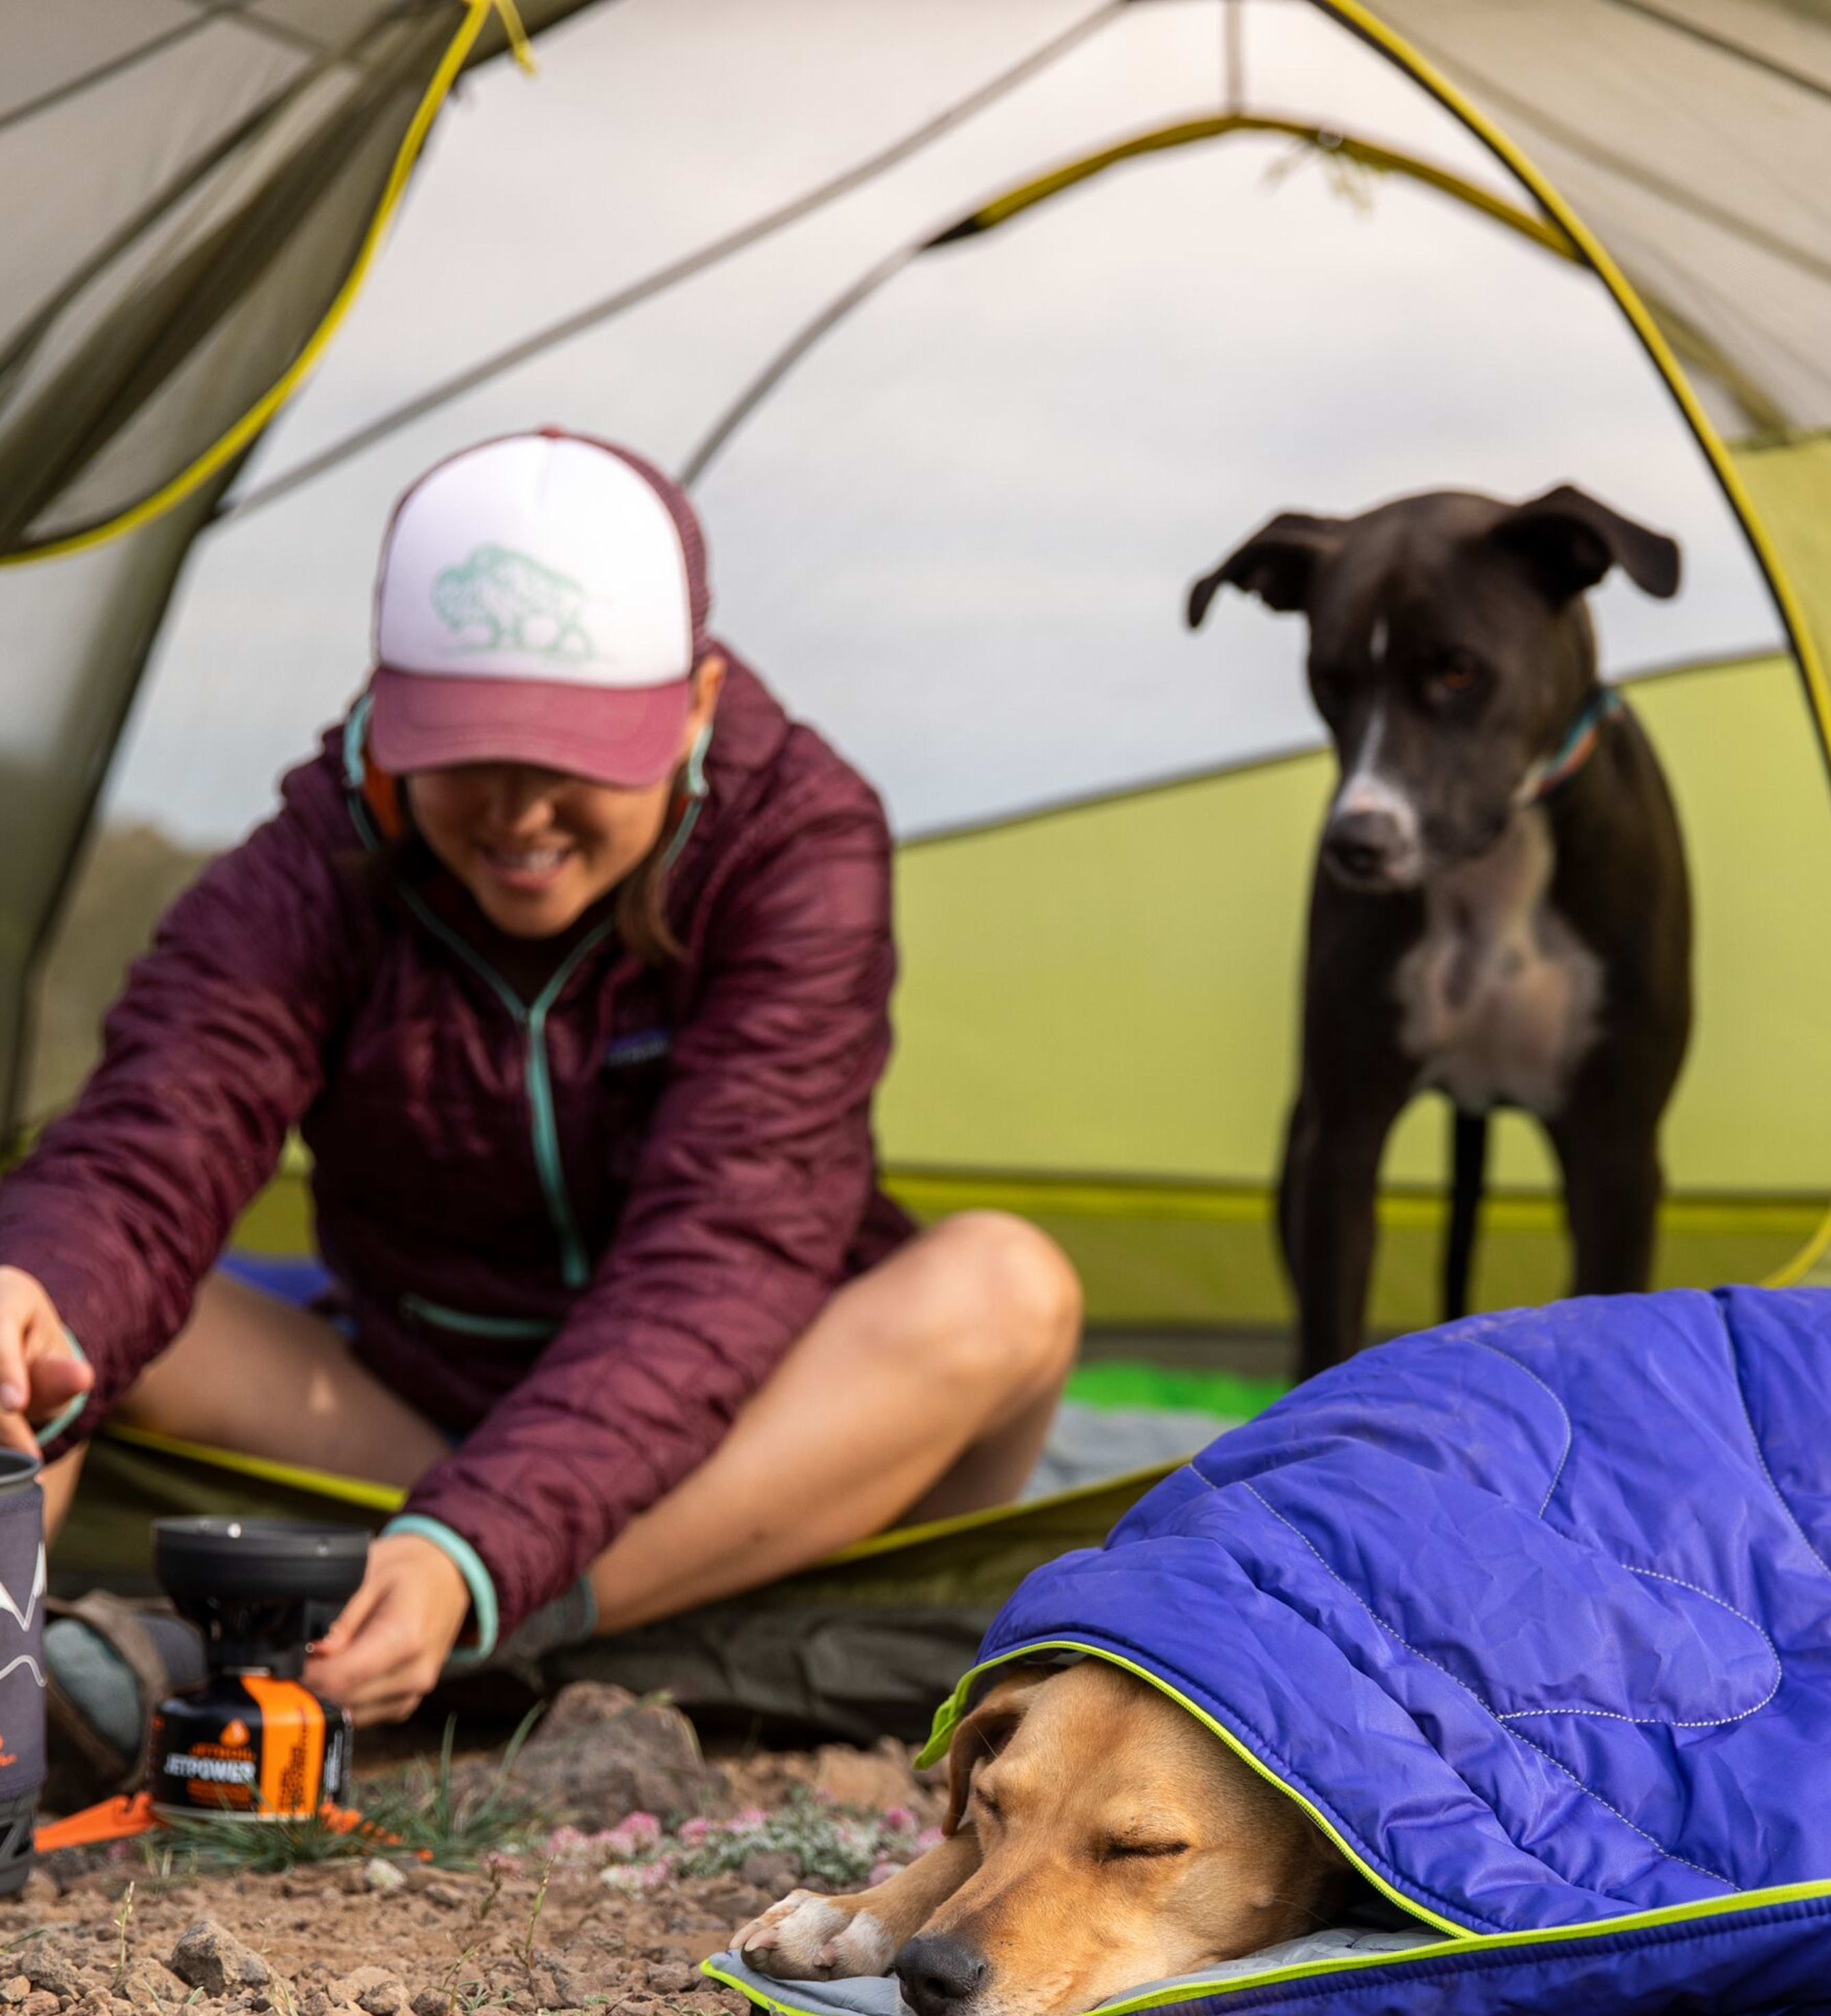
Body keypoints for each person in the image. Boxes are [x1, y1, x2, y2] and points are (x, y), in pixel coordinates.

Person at [0, 430, 1080, 1776]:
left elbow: (725, 1258)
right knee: (53, 1318)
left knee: (1006, 1288)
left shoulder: (796, 841)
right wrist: (34, 1283)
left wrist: (476, 1548)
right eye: (462, 751)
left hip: (751, 1453)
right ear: (389, 711)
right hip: (420, 1425)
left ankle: (446, 1627)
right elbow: (152, 1147)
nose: (517, 812)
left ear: (693, 705)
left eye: (578, 756)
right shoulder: (316, 860)